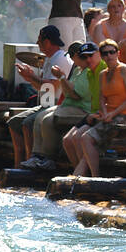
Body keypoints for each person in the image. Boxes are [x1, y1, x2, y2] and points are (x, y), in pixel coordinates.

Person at [20, 42, 104, 171]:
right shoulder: (77, 70)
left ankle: (49, 157)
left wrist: (62, 78)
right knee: (39, 117)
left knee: (48, 120)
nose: (86, 59)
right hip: (69, 104)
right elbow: (66, 92)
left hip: (82, 107)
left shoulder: (90, 71)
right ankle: (36, 155)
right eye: (84, 56)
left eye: (89, 56)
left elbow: (77, 95)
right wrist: (63, 79)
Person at [66, 39, 126, 176]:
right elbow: (101, 97)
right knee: (76, 137)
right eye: (105, 53)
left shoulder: (124, 69)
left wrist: (113, 113)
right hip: (106, 116)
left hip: (124, 115)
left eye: (112, 52)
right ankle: (84, 175)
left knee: (86, 138)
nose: (109, 56)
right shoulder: (102, 74)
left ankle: (94, 176)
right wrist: (105, 112)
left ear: (118, 53)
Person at [8, 25, 69, 164]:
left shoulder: (60, 59)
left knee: (27, 123)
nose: (37, 43)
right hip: (46, 102)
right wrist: (29, 78)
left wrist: (31, 77)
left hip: (55, 104)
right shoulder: (49, 59)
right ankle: (18, 164)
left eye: (39, 40)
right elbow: (42, 87)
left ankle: (31, 161)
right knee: (13, 122)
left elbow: (51, 86)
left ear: (47, 42)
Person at [90, 0, 126, 65]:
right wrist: (119, 47)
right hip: (105, 67)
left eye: (119, 6)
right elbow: (102, 53)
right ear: (108, 9)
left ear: (123, 8)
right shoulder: (100, 27)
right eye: (113, 6)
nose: (116, 9)